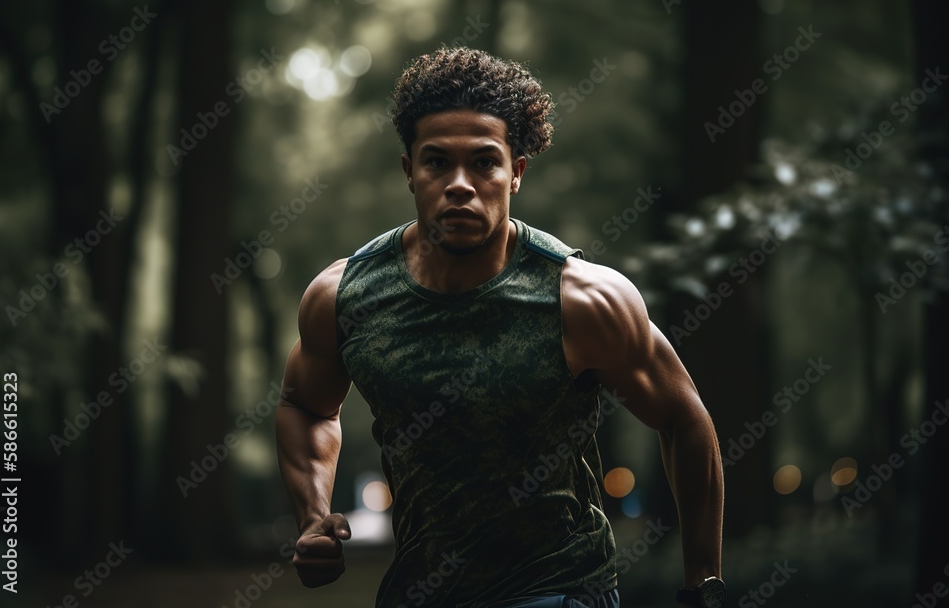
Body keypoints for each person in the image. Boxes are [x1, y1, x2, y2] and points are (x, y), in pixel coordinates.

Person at [275, 47, 725, 608]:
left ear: (516, 172)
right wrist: (314, 515)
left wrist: (703, 583)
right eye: (437, 161)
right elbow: (306, 406)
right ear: (408, 171)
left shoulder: (583, 299)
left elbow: (685, 418)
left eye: (485, 162)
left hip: (560, 587)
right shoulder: (345, 297)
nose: (459, 184)